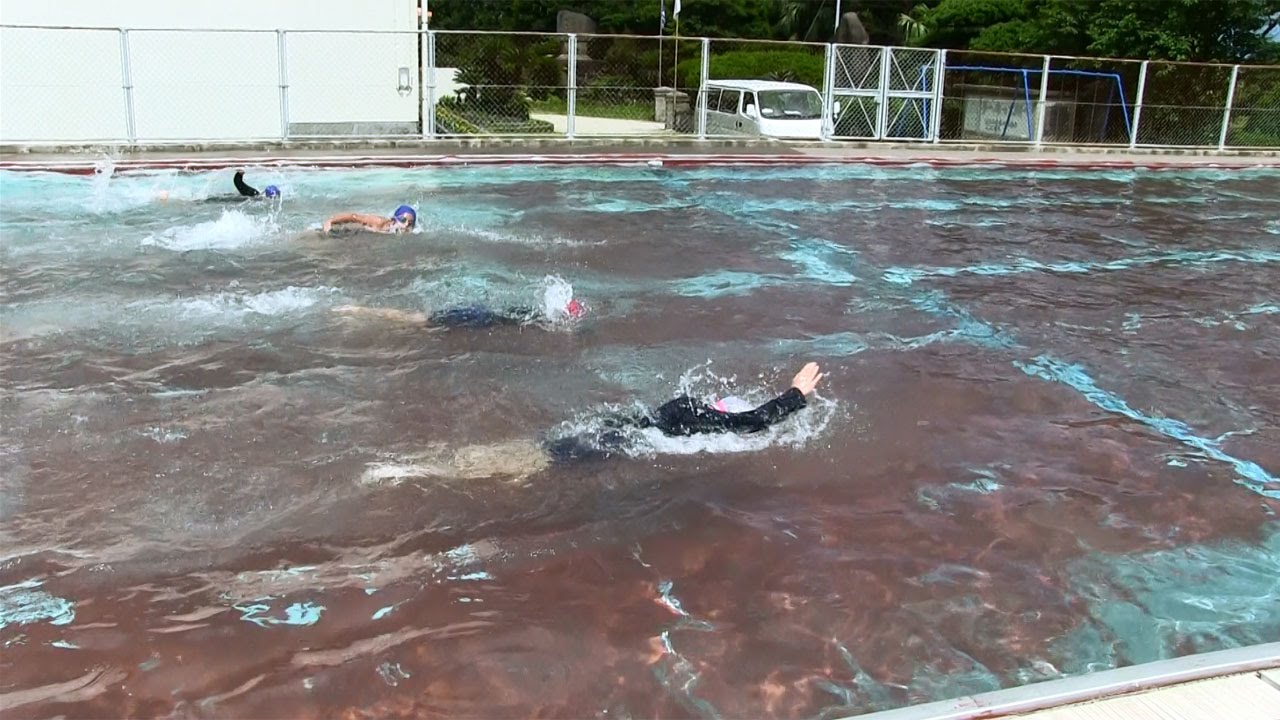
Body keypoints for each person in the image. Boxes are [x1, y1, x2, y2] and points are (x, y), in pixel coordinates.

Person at [362, 363, 824, 484]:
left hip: (610, 433)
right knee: (533, 459)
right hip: (609, 438)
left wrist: (794, 394)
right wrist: (796, 394)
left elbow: (748, 421)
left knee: (533, 457)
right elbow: (753, 422)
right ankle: (416, 470)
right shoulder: (697, 419)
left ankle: (420, 467)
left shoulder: (692, 416)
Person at [333, 296, 586, 328]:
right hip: (467, 316)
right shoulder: (538, 319)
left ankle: (360, 310)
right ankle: (358, 310)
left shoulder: (532, 312)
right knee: (416, 321)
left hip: (473, 312)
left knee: (415, 320)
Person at [323, 205, 416, 234]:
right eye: (403, 220)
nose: (407, 224)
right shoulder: (379, 223)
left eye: (411, 223)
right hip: (352, 229)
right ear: (393, 220)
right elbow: (353, 217)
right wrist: (331, 221)